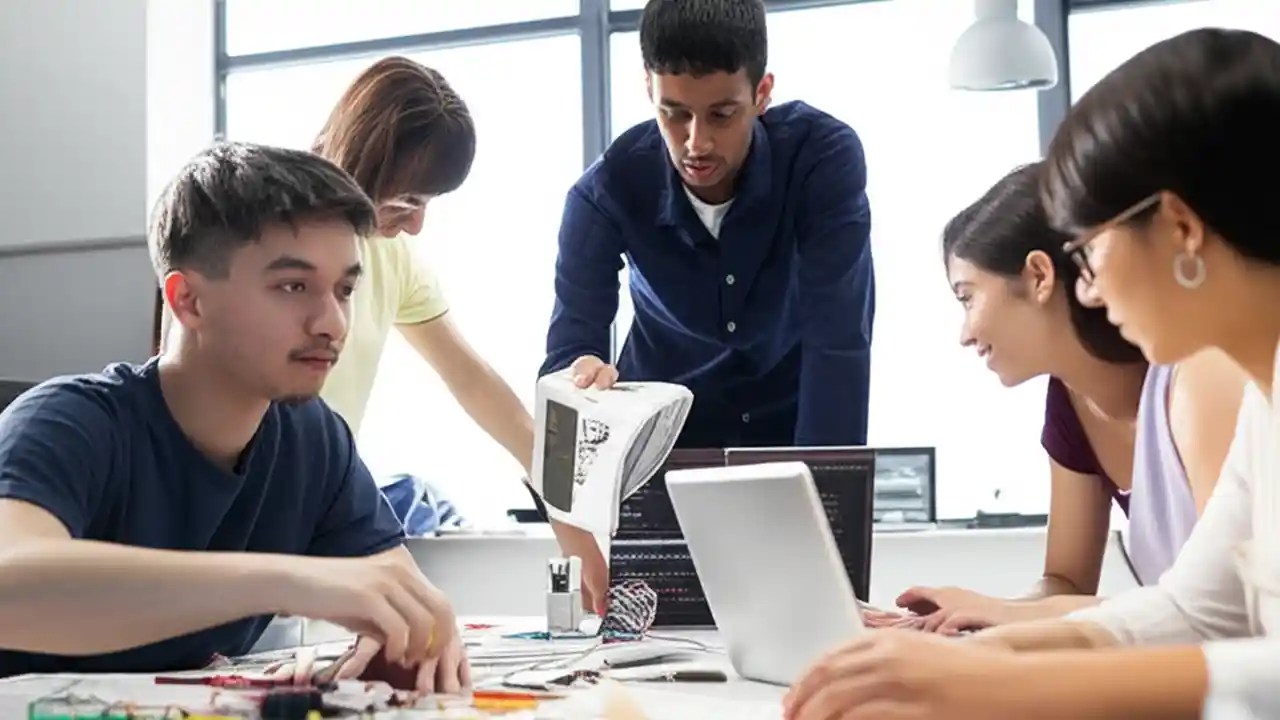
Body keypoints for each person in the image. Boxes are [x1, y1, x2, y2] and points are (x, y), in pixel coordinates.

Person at [783, 27, 1280, 720]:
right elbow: (1192, 608)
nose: (1090, 289)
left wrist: (988, 683)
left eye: (1091, 248)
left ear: (1180, 229)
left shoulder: (1215, 382)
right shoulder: (1265, 402)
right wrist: (973, 658)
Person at [0, 142, 466, 693]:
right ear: (188, 301)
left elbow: (401, 601)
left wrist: (387, 644)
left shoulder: (314, 438)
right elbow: (10, 589)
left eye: (344, 289)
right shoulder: (68, 421)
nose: (333, 323)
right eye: (293, 287)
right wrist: (287, 580)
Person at [870, 163, 1243, 633]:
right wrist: (977, 614)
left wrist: (1006, 618)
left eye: (967, 298)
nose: (965, 334)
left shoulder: (1197, 377)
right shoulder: (1071, 401)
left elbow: (1224, 607)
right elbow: (1067, 581)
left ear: (1039, 276)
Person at [309, 56, 607, 613]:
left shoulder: (393, 256)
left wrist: (566, 512)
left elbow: (474, 382)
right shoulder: (262, 227)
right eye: (406, 202)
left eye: (426, 203)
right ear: (358, 162)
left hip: (316, 505)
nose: (417, 223)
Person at [540, 0, 875, 452]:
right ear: (649, 89)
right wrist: (580, 370)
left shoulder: (821, 161)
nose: (696, 143)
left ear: (761, 94)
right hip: (659, 448)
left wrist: (824, 490)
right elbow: (570, 353)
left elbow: (837, 337)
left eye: (721, 114)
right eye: (674, 113)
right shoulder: (607, 191)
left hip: (790, 436)